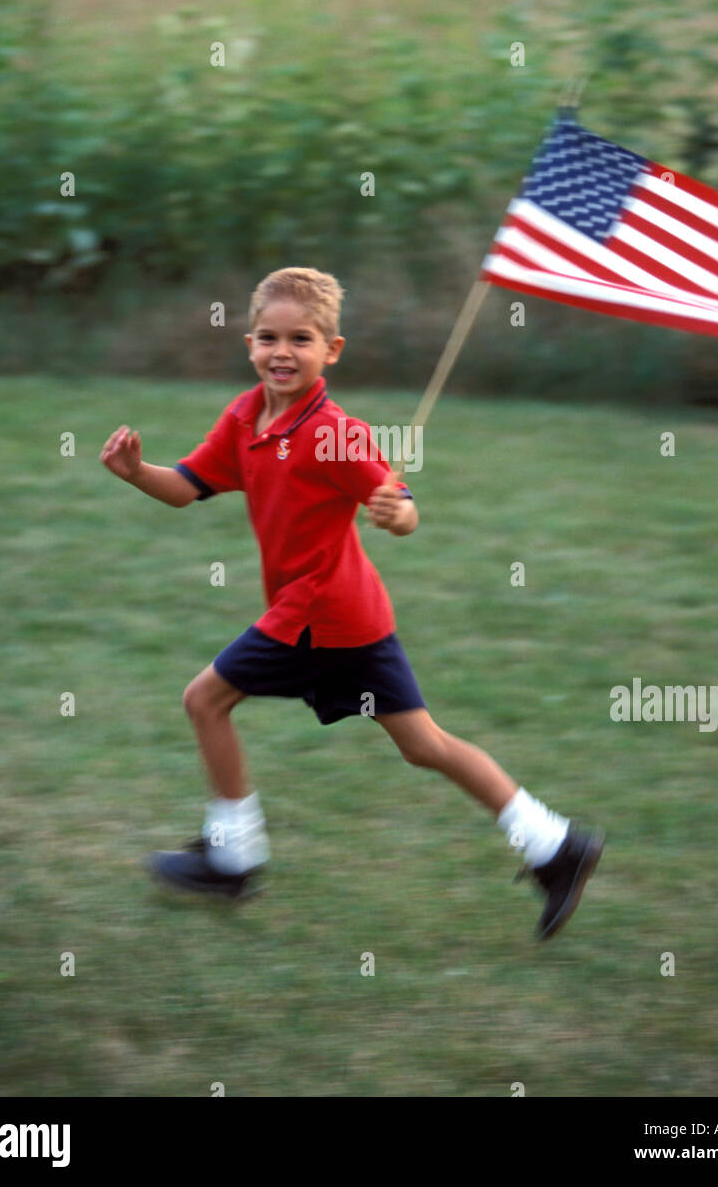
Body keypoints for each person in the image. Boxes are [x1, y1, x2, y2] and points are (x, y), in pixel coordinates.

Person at [100, 266, 604, 939]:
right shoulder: (246, 416)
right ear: (249, 342)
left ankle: (234, 858)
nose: (283, 352)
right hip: (352, 622)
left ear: (331, 350)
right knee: (425, 745)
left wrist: (396, 512)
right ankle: (557, 845)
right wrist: (138, 473)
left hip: (318, 615)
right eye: (269, 338)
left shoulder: (335, 431)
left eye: (301, 339)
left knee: (205, 700)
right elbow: (188, 485)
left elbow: (403, 510)